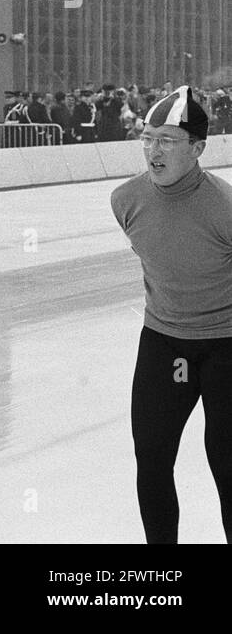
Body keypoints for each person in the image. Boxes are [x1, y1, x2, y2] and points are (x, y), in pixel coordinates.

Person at [110, 86, 232, 544]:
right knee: (153, 458)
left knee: (227, 463)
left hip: (225, 344)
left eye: (166, 140)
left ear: (198, 149)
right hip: (164, 341)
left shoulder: (224, 208)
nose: (153, 150)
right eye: (147, 138)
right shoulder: (126, 201)